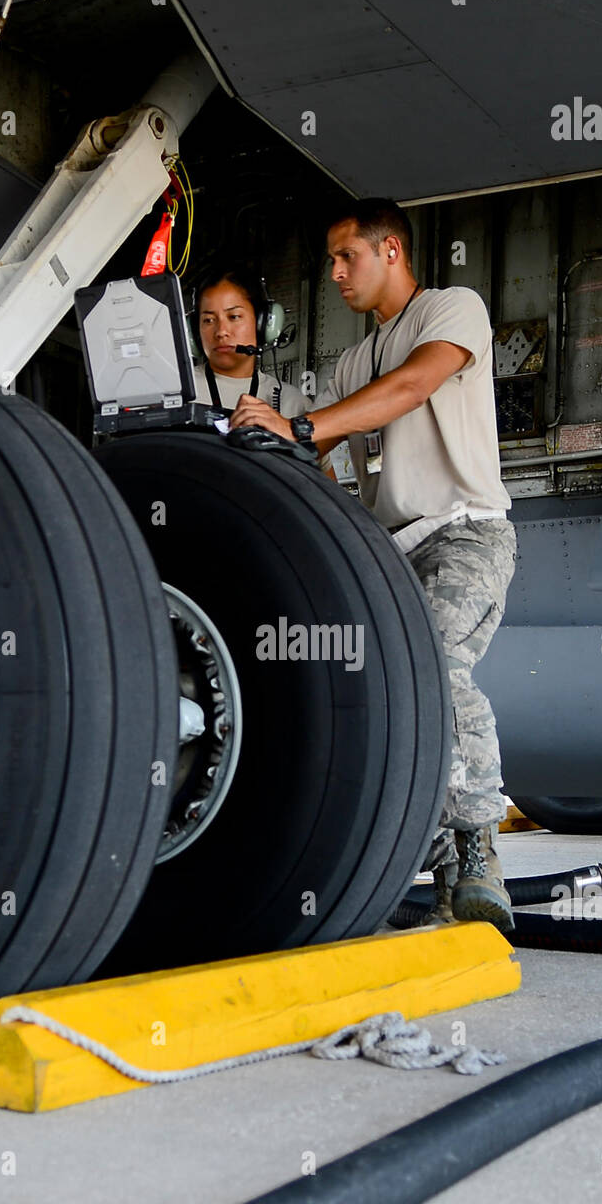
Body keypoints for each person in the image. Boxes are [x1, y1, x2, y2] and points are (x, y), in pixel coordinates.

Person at [230, 199, 516, 932]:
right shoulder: (353, 363)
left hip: (465, 533)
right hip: (395, 549)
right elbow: (320, 458)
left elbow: (414, 386)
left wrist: (301, 426)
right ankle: (454, 888)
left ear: (391, 250)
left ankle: (480, 844)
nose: (334, 274)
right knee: (392, 701)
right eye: (330, 262)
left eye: (344, 257)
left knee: (439, 667)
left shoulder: (452, 310)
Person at [191, 266, 305, 419]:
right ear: (194, 330)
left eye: (234, 317)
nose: (221, 332)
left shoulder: (292, 403)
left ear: (263, 324)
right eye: (208, 320)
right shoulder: (173, 394)